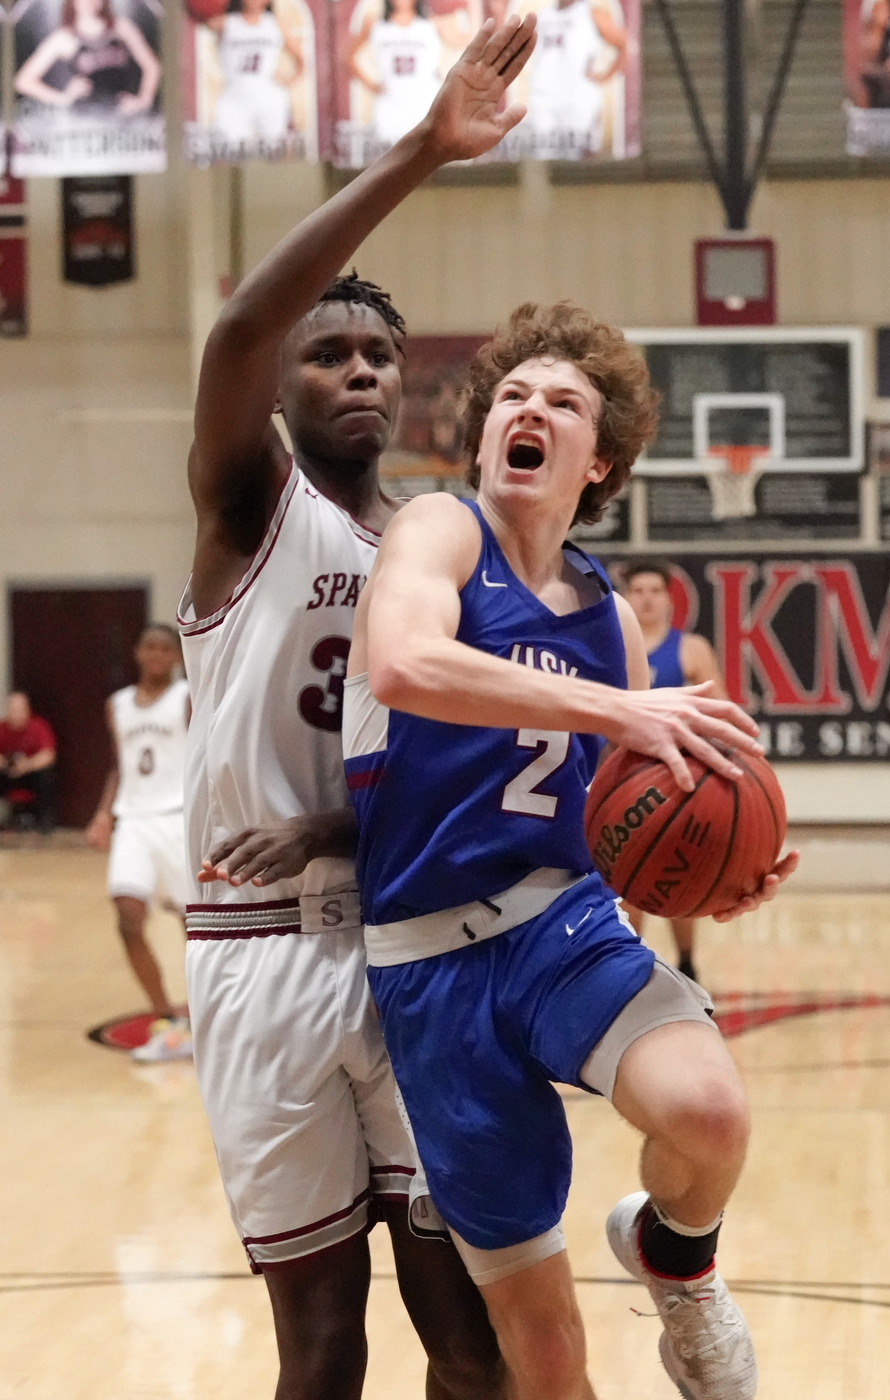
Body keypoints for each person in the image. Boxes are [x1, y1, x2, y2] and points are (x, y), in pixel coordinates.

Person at [343, 301, 799, 1400]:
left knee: (710, 1111)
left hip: (558, 924)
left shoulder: (608, 613)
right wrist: (613, 707)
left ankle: (675, 1260)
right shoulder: (441, 533)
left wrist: (703, 873)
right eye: (511, 394)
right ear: (485, 426)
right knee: (544, 1356)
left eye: (561, 402)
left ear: (601, 459)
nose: (527, 409)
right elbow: (403, 660)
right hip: (428, 963)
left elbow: (629, 813)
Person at [178, 15, 535, 1399]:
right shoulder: (247, 506)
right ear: (274, 390)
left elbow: (460, 759)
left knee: (470, 1342)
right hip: (258, 957)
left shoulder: (437, 546)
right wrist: (424, 148)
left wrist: (337, 828)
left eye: (380, 355)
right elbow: (236, 323)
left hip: (412, 947)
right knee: (324, 1350)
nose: (360, 371)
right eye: (327, 353)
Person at [86, 624, 192, 1064]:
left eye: (166, 648)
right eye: (150, 646)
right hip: (133, 820)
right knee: (128, 916)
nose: (157, 654)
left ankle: (210, 1012)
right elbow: (119, 766)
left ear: (176, 656)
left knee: (198, 927)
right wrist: (102, 813)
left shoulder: (186, 696)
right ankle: (164, 1015)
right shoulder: (118, 705)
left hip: (179, 817)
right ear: (137, 652)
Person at [621, 557, 728, 984]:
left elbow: (720, 711)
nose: (646, 599)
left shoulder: (690, 648)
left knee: (678, 880)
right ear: (627, 598)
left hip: (679, 784)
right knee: (626, 882)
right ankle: (629, 964)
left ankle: (687, 962)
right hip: (622, 783)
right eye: (639, 590)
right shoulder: (611, 641)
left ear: (668, 598)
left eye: (655, 590)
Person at [15, 0, 160, 115]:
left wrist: (143, 100)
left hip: (123, 119)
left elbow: (152, 67)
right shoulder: (64, 37)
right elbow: (23, 81)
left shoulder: (121, 28)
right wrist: (62, 98)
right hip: (83, 121)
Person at [524, 0, 626, 158]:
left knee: (578, 161)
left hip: (578, 99)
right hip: (544, 99)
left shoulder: (591, 13)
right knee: (544, 158)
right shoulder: (542, 16)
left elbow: (624, 44)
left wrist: (605, 76)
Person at [204, 0, 304, 151]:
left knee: (276, 151)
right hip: (234, 98)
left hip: (268, 97)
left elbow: (300, 60)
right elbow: (201, 19)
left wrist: (289, 79)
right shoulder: (226, 23)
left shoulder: (274, 25)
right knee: (226, 153)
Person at [348, 0, 444, 150]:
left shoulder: (431, 23)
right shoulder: (375, 24)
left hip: (424, 106)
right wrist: (371, 85)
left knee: (425, 160)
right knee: (392, 163)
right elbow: (348, 58)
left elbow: (466, 39)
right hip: (390, 109)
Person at [0, 692, 56, 834]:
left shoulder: (38, 727)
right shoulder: (2, 728)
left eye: (18, 710)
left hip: (30, 774)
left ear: (27, 710)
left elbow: (48, 755)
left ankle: (45, 822)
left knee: (46, 776)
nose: (15, 714)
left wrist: (27, 765)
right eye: (12, 710)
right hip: (7, 773)